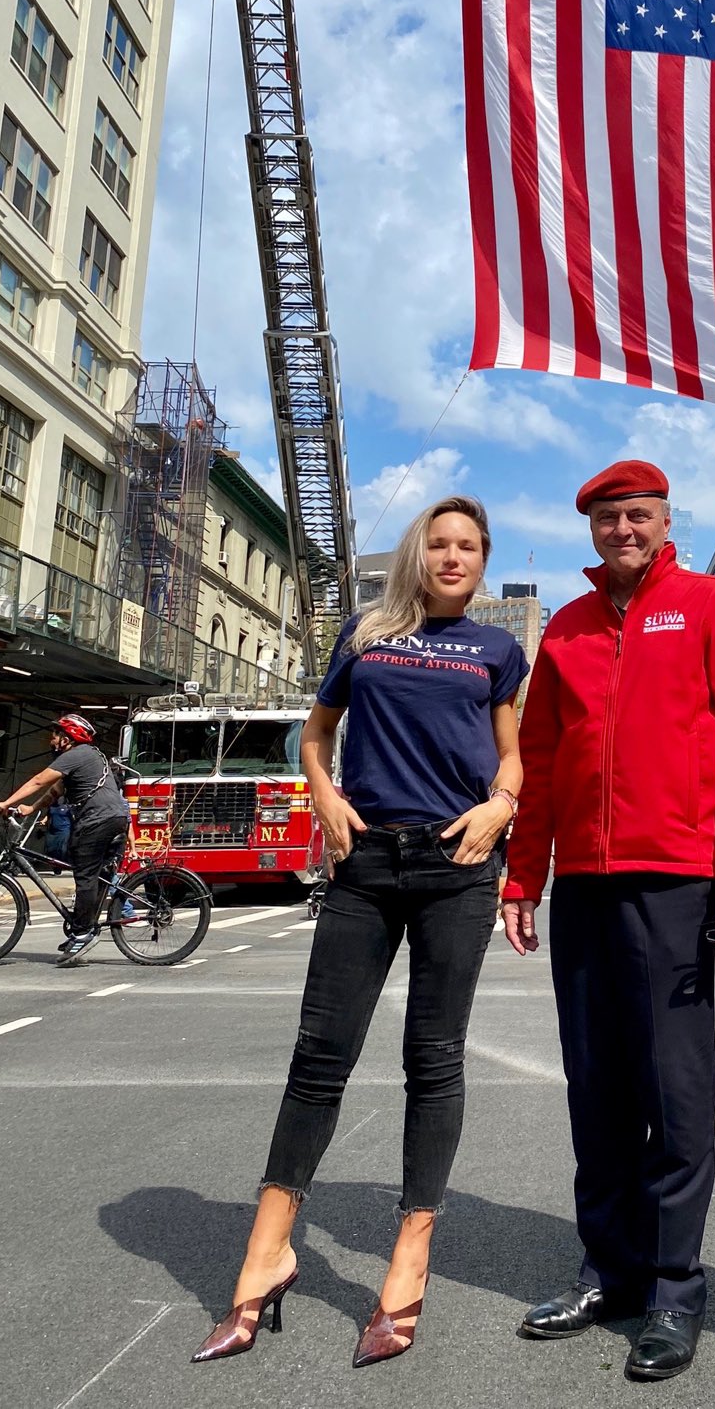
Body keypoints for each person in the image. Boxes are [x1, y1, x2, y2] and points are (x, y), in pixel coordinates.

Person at [193, 496, 526, 1370]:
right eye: (439, 543)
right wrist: (324, 795)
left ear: (482, 560)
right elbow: (316, 735)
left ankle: (409, 1256)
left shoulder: (496, 650)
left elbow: (511, 752)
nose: (452, 556)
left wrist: (503, 803)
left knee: (433, 1058)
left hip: (457, 863)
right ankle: (267, 1251)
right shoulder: (367, 633)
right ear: (418, 553)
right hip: (365, 860)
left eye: (468, 546)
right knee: (319, 1056)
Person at [502, 459, 715, 1384]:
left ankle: (673, 1286)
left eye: (639, 515)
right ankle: (608, 1271)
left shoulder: (710, 605)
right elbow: (540, 758)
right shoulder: (569, 627)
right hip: (582, 882)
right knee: (596, 1084)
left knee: (673, 1088)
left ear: (665, 520)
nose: (623, 529)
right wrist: (523, 877)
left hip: (674, 879)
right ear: (591, 528)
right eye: (608, 518)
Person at [0, 714, 130, 966]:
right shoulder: (91, 756)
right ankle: (85, 927)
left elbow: (38, 780)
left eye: (55, 736)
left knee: (85, 876)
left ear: (67, 738)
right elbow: (55, 791)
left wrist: (6, 802)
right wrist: (31, 808)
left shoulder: (75, 755)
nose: (51, 740)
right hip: (115, 819)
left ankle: (82, 933)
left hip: (97, 820)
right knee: (97, 875)